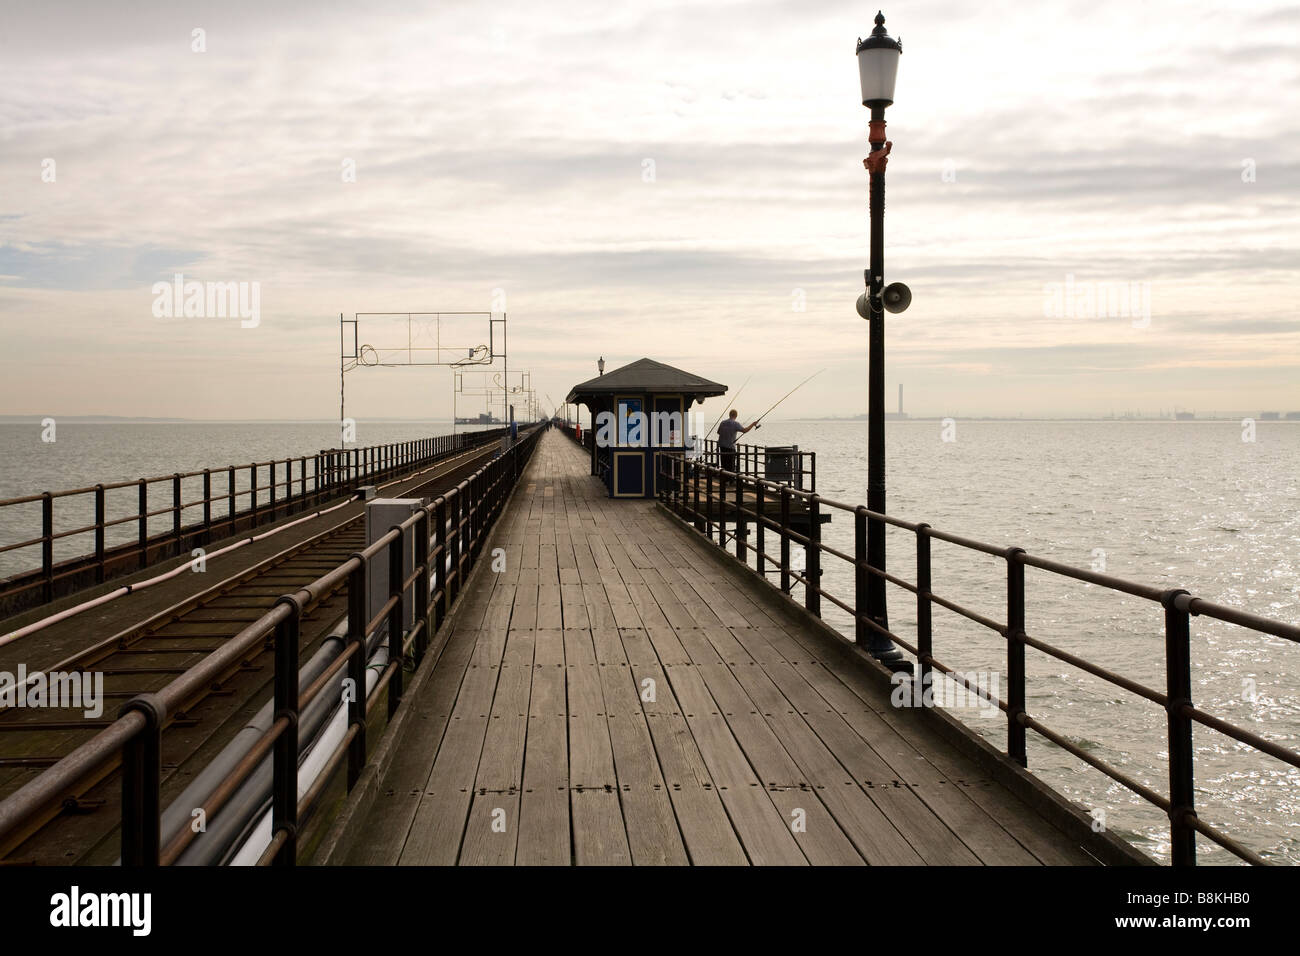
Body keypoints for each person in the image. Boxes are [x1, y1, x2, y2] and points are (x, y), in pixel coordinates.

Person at [716, 409, 757, 473]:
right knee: (730, 467)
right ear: (736, 415)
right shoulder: (735, 423)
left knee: (724, 465)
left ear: (729, 414)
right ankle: (730, 481)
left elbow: (718, 432)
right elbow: (744, 430)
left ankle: (723, 480)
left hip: (722, 447)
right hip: (730, 448)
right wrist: (753, 424)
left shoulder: (723, 422)